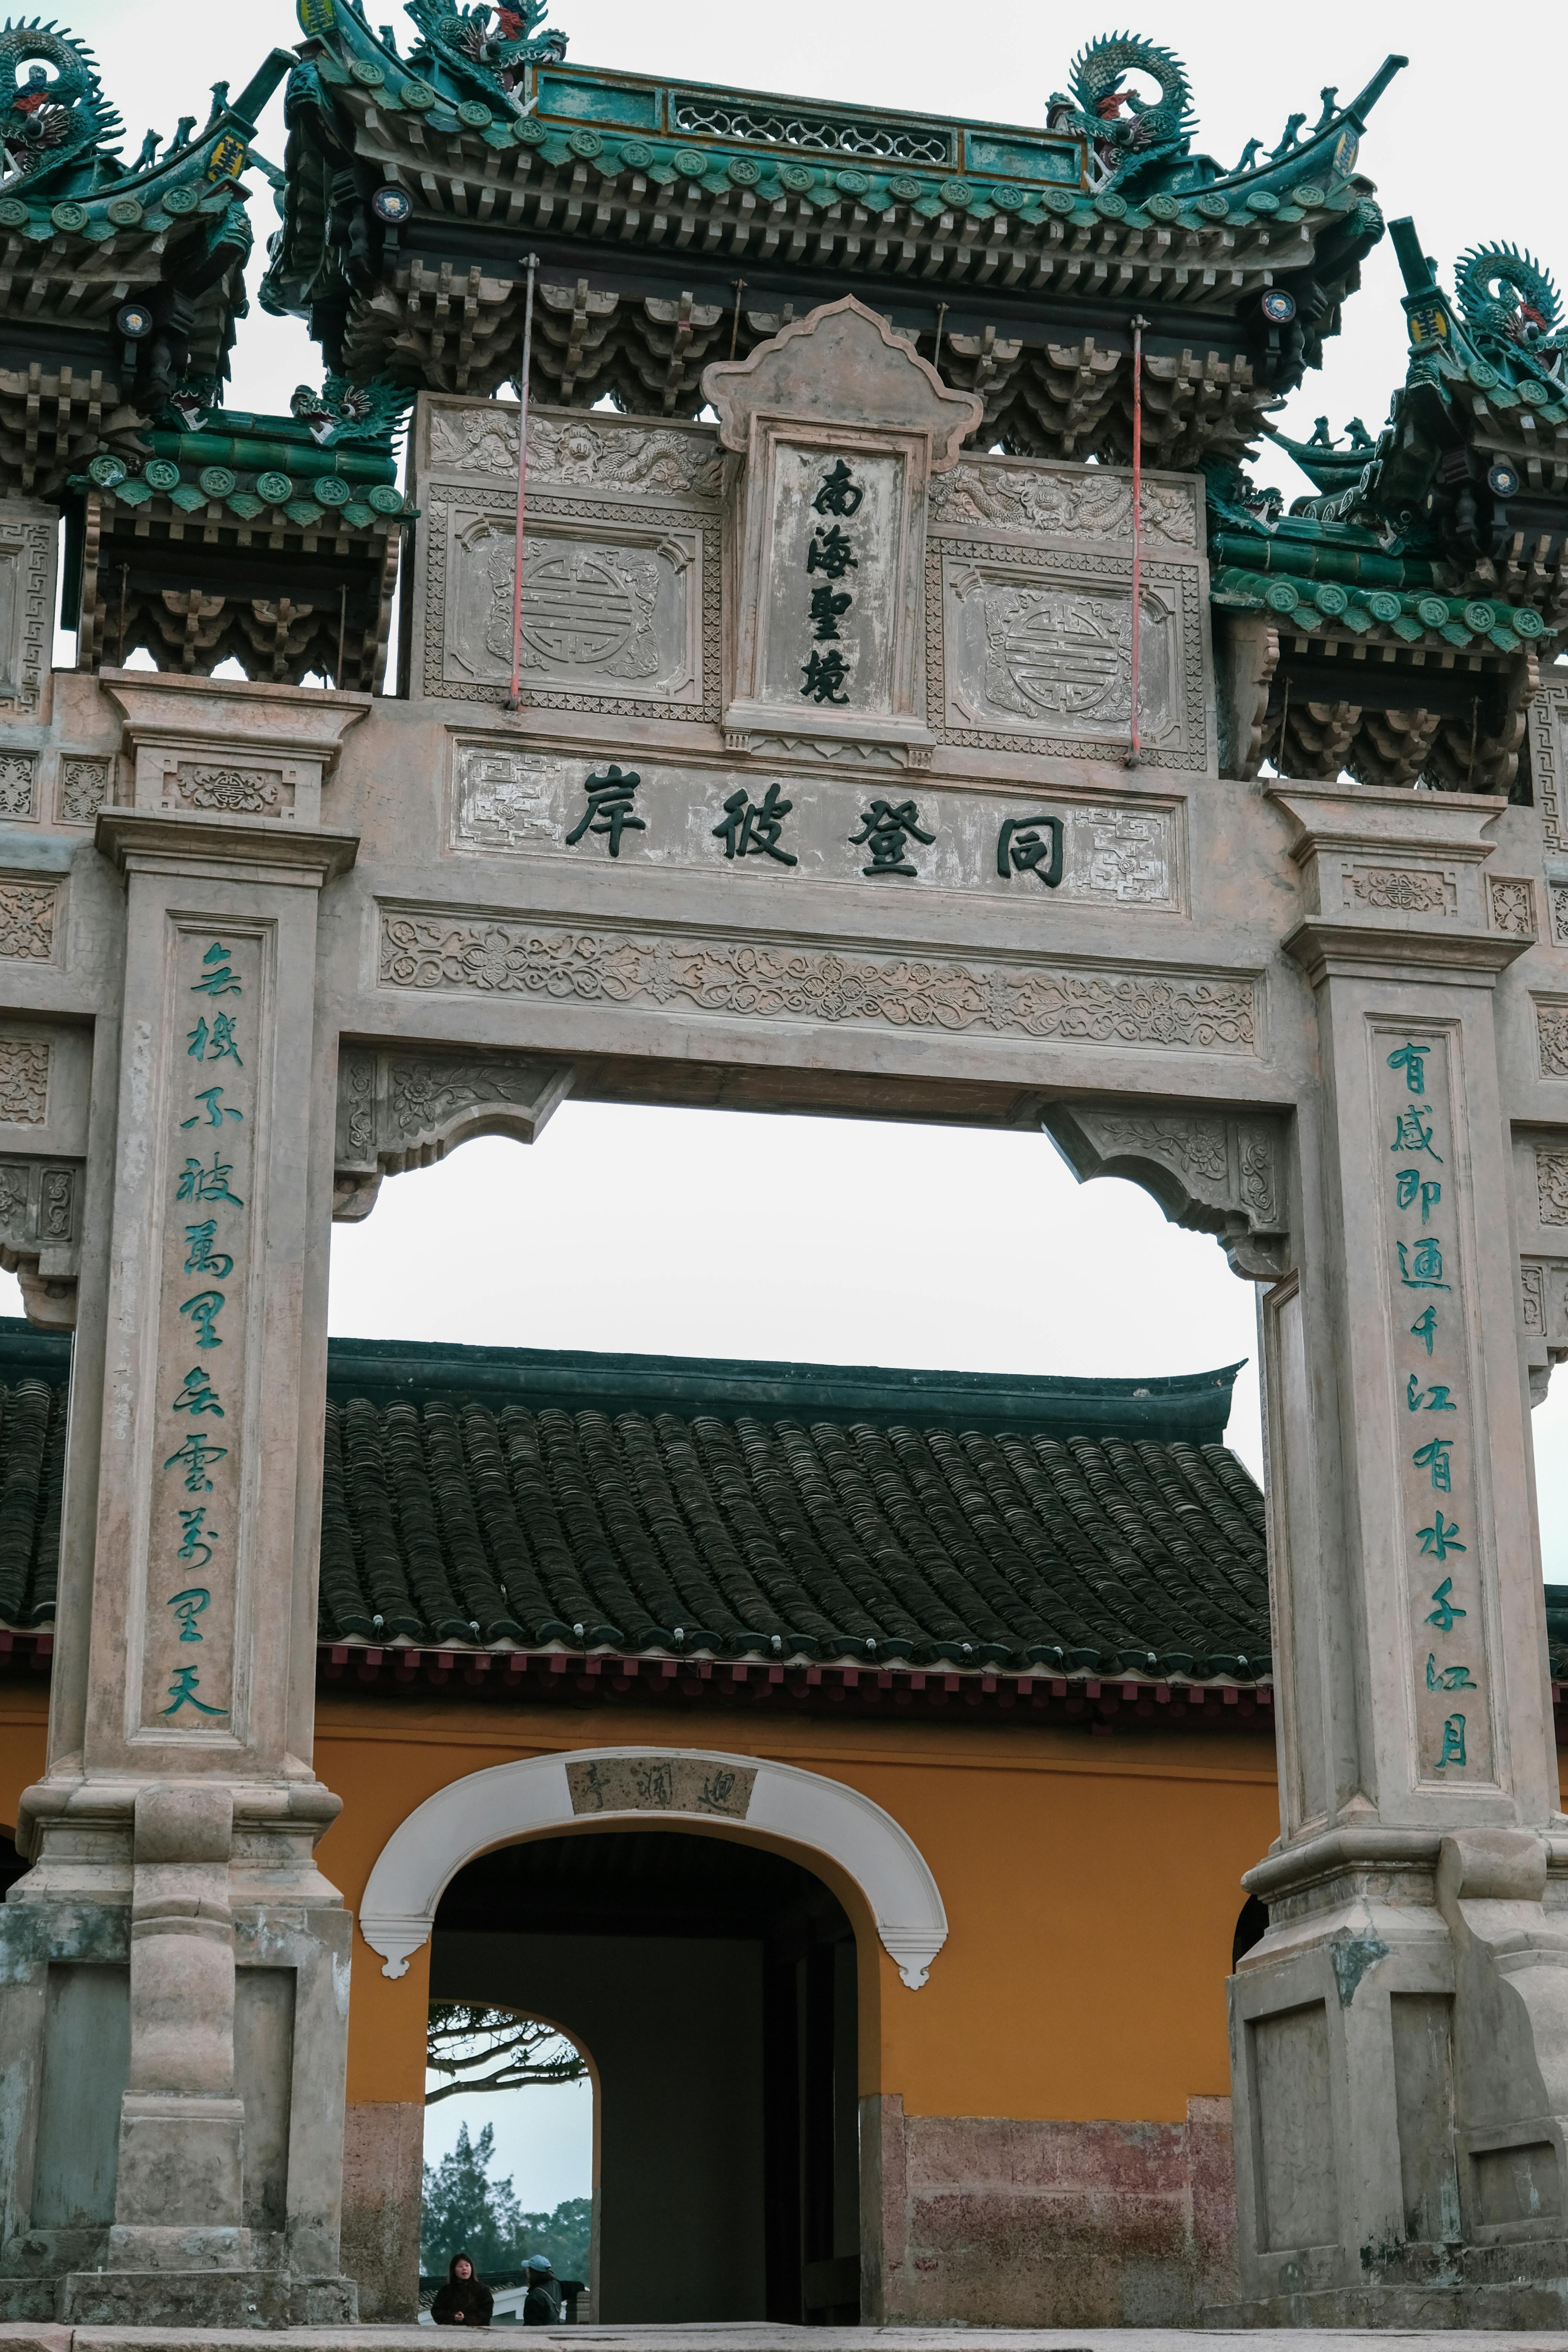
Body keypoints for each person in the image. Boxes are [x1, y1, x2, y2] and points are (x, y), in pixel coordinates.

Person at [433, 2252, 494, 2328]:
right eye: (460, 2266)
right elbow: (436, 2312)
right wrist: (454, 2317)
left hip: (477, 2333)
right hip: (451, 2333)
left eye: (467, 2266)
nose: (464, 2269)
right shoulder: (446, 2290)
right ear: (454, 2270)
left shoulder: (482, 2289)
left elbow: (487, 2312)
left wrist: (467, 2319)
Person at [521, 2254, 559, 2325]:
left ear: (532, 2272)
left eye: (528, 2268)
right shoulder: (555, 2287)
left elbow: (531, 2326)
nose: (526, 2271)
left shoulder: (535, 2297)